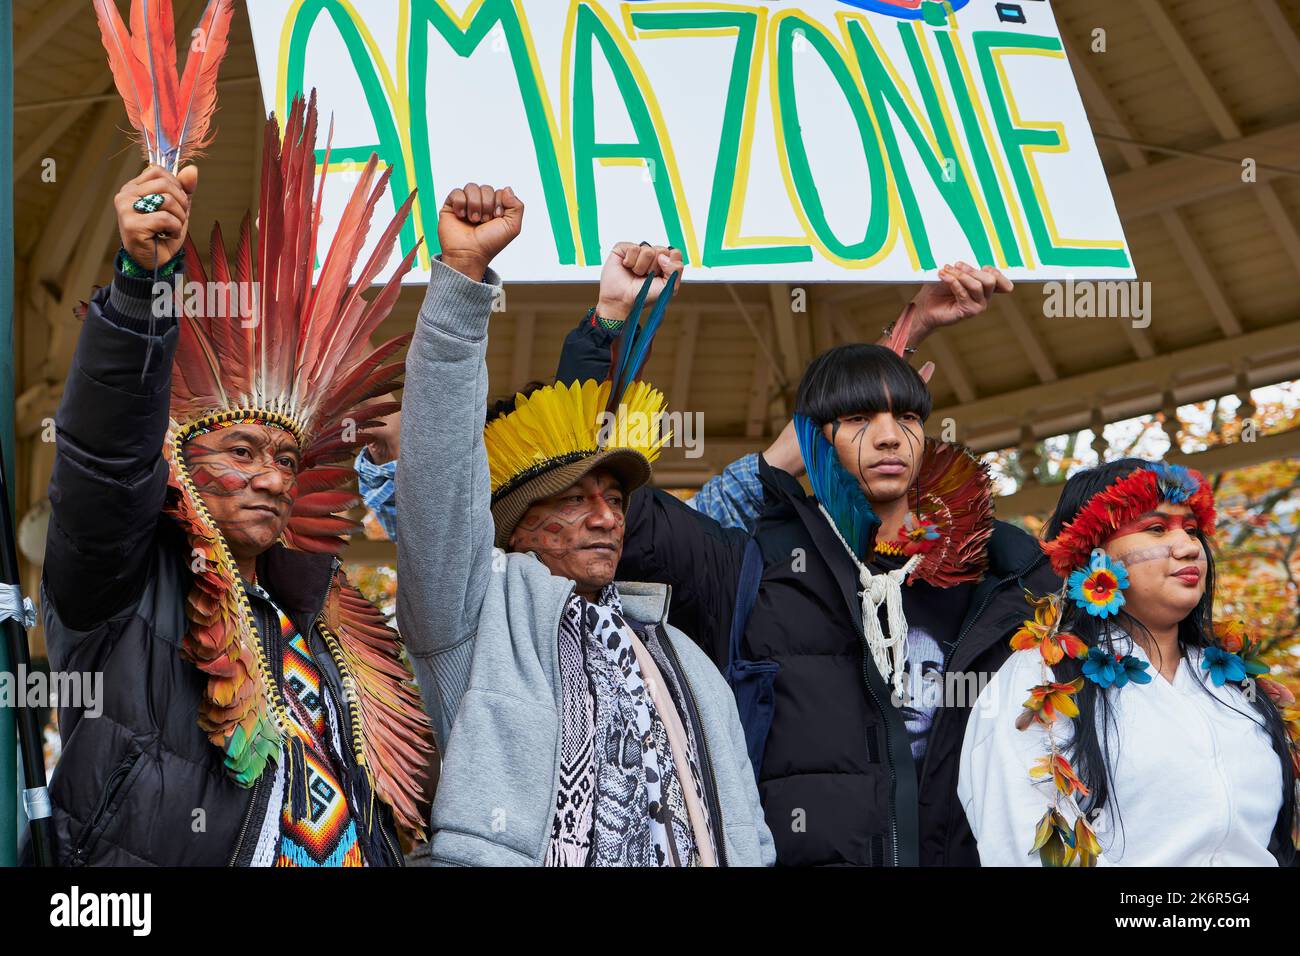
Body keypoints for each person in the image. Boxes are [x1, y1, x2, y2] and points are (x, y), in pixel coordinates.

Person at [37, 95, 434, 866]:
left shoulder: (322, 621)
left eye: (286, 460)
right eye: (243, 452)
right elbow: (105, 461)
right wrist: (143, 287)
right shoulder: (122, 584)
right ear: (182, 461)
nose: (273, 478)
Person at [612, 260, 1064, 866]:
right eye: (856, 420)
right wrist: (611, 325)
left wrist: (905, 336)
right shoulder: (762, 565)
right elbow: (623, 515)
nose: (888, 437)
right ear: (812, 441)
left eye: (906, 418)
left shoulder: (1000, 565)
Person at [395, 183, 774, 866]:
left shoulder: (685, 658)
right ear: (515, 527)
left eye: (616, 499)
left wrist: (615, 322)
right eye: (576, 499)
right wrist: (462, 284)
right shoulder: (473, 626)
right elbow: (439, 478)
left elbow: (745, 836)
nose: (607, 517)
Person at [958, 459, 1299, 866]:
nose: (1189, 546)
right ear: (1094, 555)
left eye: (1191, 530)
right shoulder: (1041, 676)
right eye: (1155, 528)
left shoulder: (1236, 680)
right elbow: (1024, 846)